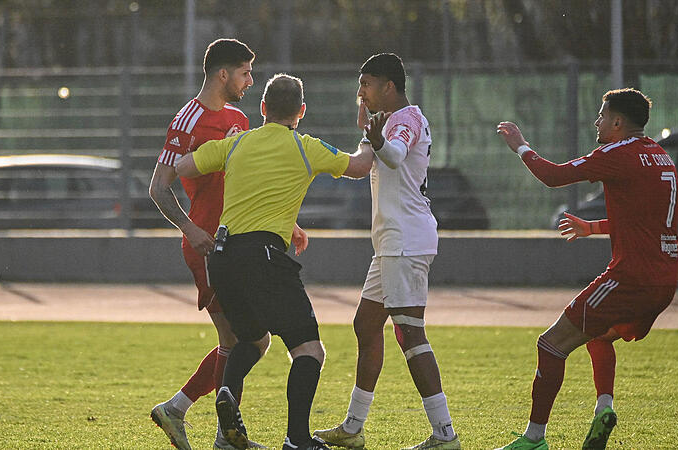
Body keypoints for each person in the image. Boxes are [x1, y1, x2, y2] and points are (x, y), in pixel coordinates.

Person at [175, 73, 376, 450]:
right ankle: (297, 439)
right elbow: (361, 166)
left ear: (262, 108)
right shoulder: (305, 147)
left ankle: (228, 393)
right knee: (309, 350)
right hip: (264, 257)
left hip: (221, 256)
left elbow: (184, 166)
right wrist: (366, 129)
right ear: (300, 111)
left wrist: (217, 152)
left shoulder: (235, 144)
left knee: (251, 339)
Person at [493, 88, 678, 450]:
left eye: (601, 115)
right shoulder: (661, 157)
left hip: (630, 279)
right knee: (600, 335)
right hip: (665, 280)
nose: (596, 122)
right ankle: (603, 408)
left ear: (617, 122)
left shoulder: (615, 154)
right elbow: (644, 220)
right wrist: (591, 227)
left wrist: (520, 145)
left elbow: (553, 176)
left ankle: (534, 439)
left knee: (550, 345)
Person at [149, 38, 306, 450]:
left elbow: (252, 175)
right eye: (245, 73)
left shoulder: (237, 116)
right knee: (243, 340)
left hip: (236, 241)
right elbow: (158, 188)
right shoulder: (188, 120)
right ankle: (219, 433)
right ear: (224, 74)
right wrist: (190, 229)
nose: (251, 81)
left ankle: (182, 412)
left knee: (243, 339)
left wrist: (289, 224)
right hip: (208, 244)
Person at [313, 53, 461, 450]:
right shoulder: (384, 122)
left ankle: (444, 433)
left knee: (410, 333)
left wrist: (376, 138)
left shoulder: (406, 118)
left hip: (406, 241)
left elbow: (393, 157)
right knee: (366, 324)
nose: (360, 92)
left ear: (388, 87)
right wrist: (365, 138)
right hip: (392, 244)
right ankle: (353, 426)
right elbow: (368, 161)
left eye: (367, 84)